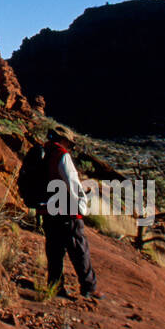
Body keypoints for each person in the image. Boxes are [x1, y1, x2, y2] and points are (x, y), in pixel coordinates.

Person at [40, 126, 101, 300]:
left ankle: (55, 287)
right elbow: (72, 184)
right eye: (70, 143)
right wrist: (82, 207)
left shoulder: (45, 152)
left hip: (48, 208)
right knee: (79, 247)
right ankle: (89, 287)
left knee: (54, 249)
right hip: (66, 210)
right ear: (63, 140)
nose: (71, 147)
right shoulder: (62, 156)